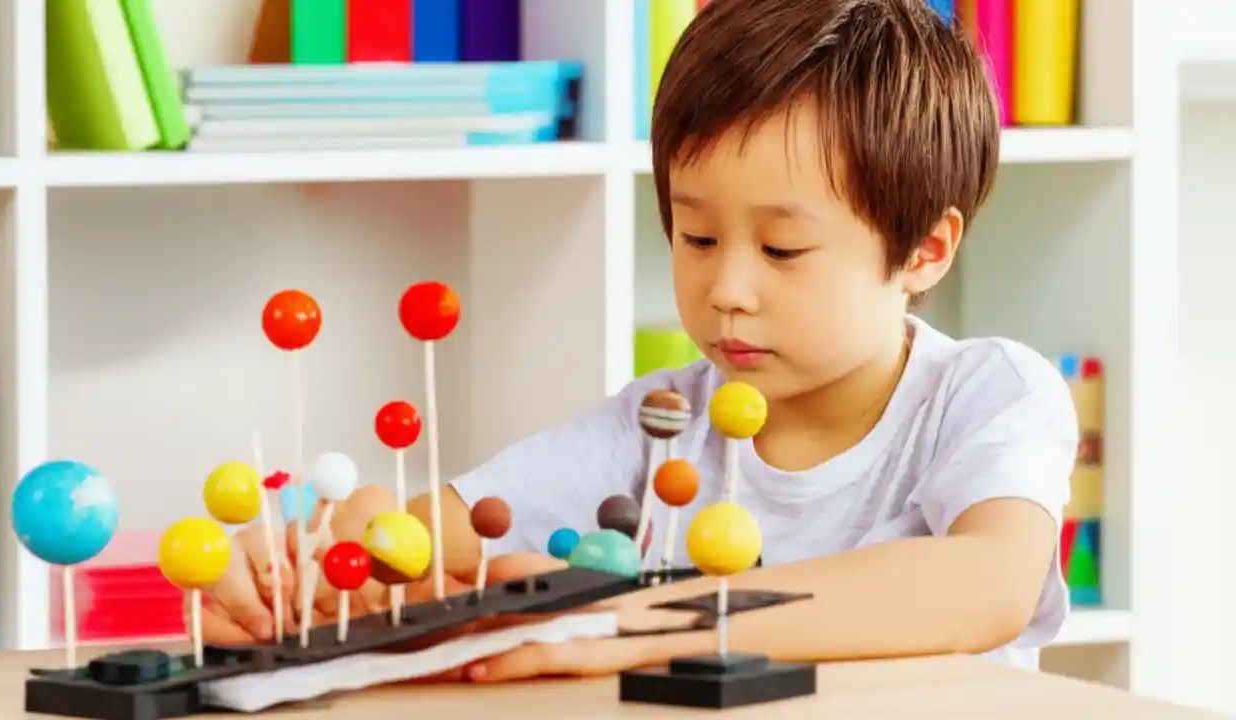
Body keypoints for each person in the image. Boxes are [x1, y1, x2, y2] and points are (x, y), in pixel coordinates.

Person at [198, 0, 1078, 682]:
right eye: (696, 238)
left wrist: (636, 623)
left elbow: (984, 587)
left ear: (923, 250)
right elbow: (441, 535)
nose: (727, 289)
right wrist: (312, 562)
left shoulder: (987, 393)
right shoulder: (659, 423)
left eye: (781, 249)